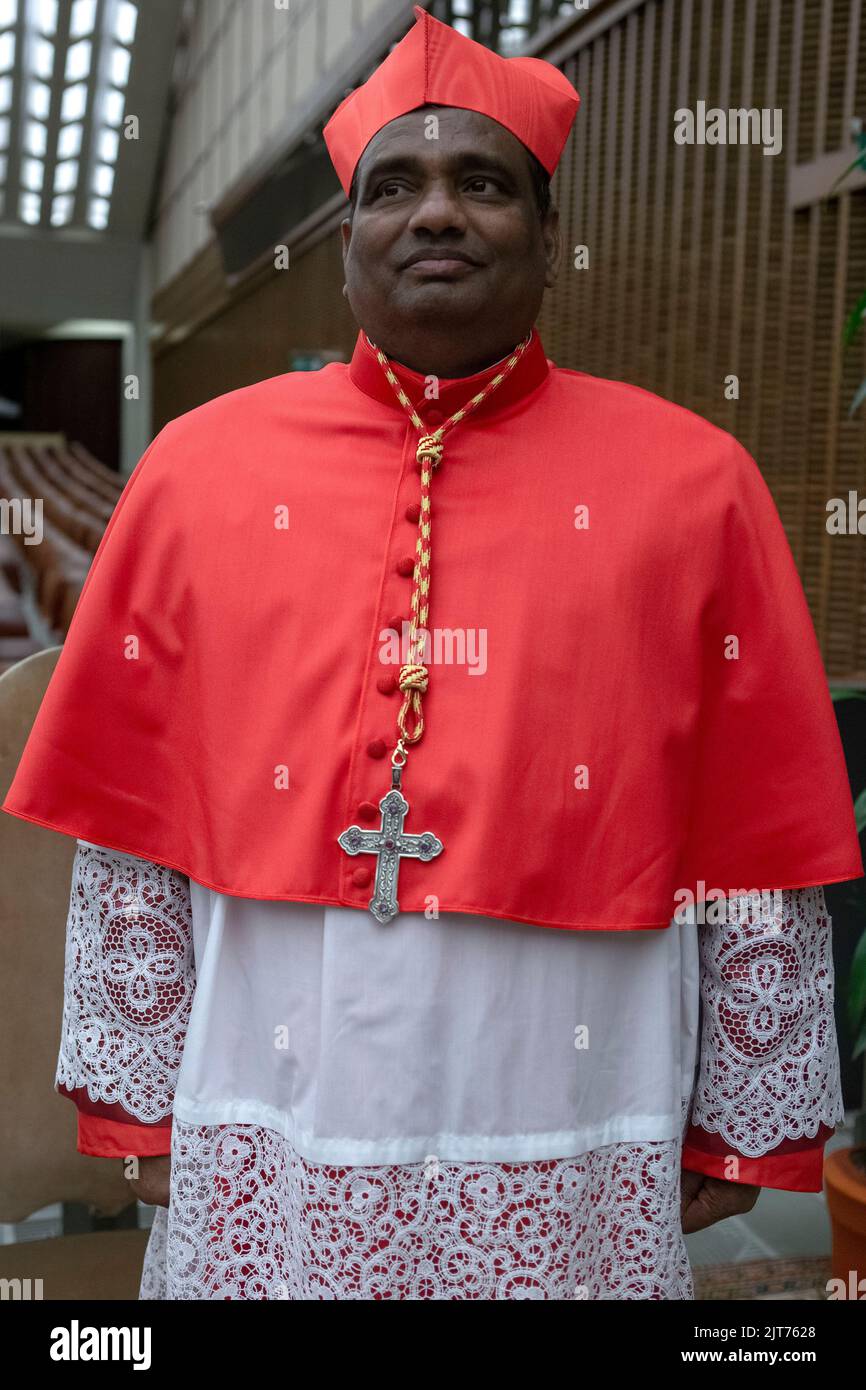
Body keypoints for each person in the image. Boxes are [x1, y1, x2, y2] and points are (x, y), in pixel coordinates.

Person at [3, 7, 862, 1300]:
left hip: (574, 1073)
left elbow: (753, 828)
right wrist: (132, 1102)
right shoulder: (195, 473)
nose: (438, 213)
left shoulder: (697, 485)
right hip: (275, 1078)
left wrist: (743, 1104)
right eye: (392, 185)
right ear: (345, 241)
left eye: (484, 183)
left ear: (551, 237)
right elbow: (134, 826)